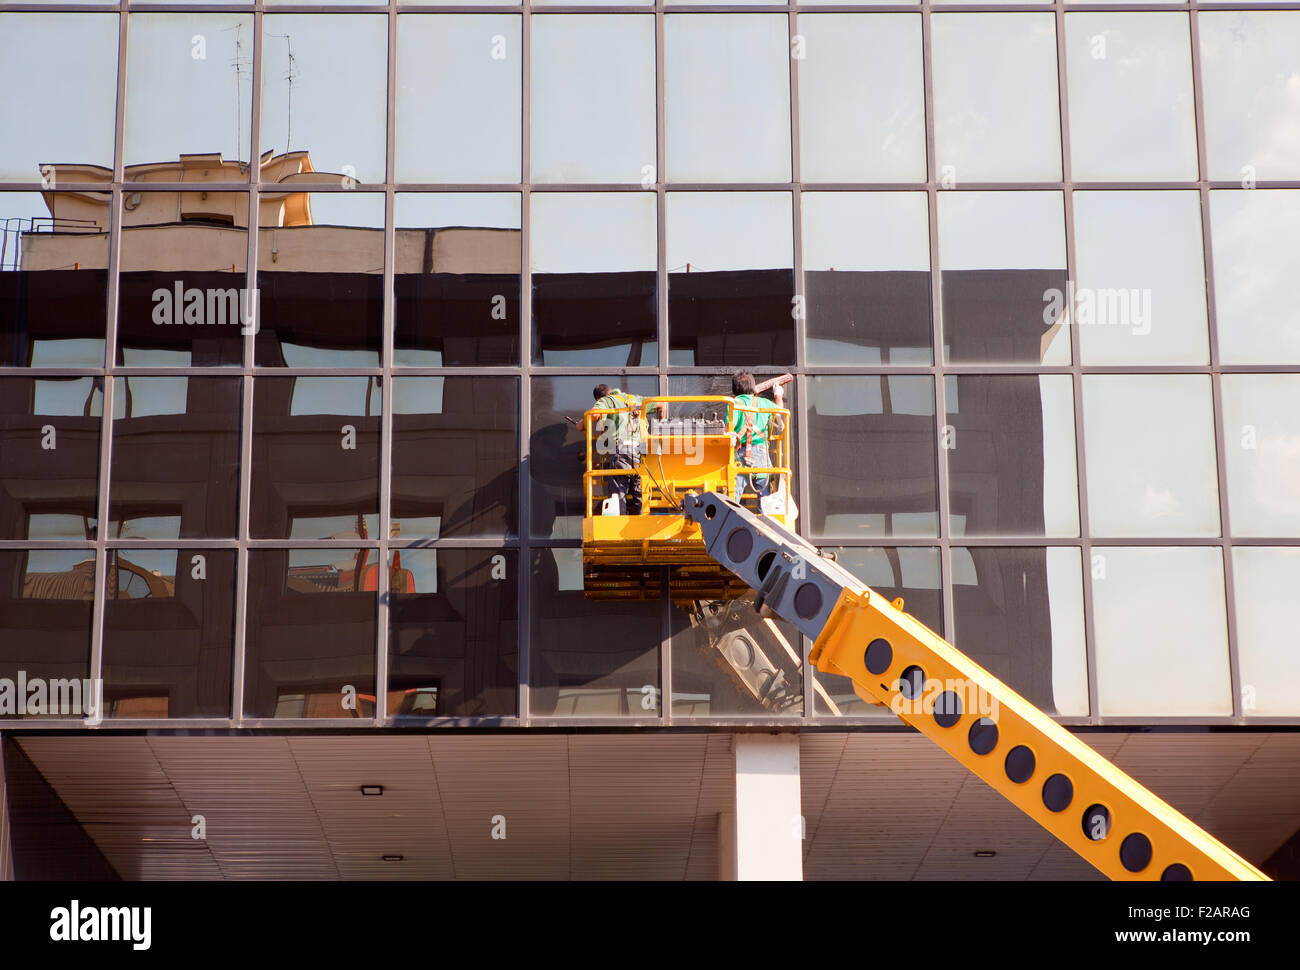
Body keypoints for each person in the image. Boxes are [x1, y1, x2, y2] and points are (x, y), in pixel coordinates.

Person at [730, 371, 788, 504]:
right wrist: (778, 394)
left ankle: (728, 515)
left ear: (735, 388)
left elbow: (729, 429)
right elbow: (779, 410)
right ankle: (764, 520)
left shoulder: (734, 403)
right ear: (752, 386)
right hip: (761, 454)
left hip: (741, 455)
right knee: (765, 494)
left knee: (733, 492)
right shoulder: (763, 403)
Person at [591, 384, 647, 515]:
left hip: (623, 452)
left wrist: (583, 423)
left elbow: (594, 414)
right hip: (642, 454)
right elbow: (660, 405)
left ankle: (619, 525)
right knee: (640, 493)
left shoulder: (606, 400)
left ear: (599, 398)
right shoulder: (634, 399)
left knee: (618, 493)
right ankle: (640, 524)